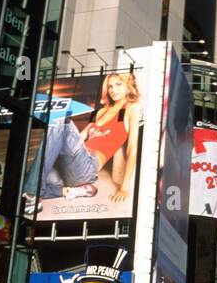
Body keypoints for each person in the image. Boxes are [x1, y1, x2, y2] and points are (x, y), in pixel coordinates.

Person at [25, 72, 143, 205]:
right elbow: (82, 136)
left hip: (87, 167)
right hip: (72, 162)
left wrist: (125, 187)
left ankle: (33, 193)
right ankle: (70, 191)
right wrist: (62, 145)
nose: (113, 90)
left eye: (118, 85)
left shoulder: (131, 109)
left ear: (128, 85)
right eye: (110, 86)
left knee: (60, 119)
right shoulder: (99, 112)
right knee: (31, 176)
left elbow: (132, 148)